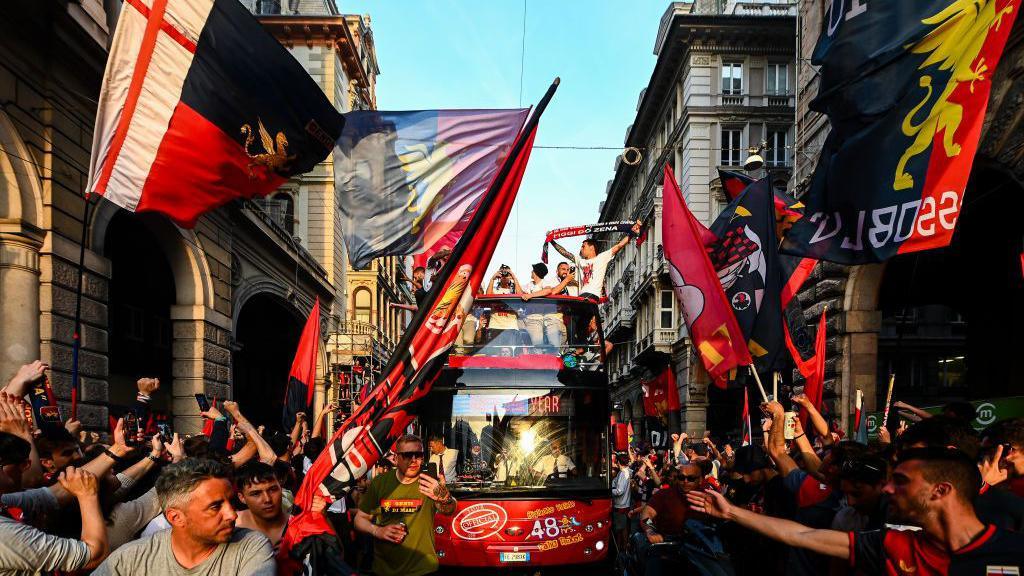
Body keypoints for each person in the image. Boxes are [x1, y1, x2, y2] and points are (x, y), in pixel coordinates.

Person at [689, 447, 1024, 575]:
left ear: (942, 490)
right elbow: (803, 535)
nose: (889, 489)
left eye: (902, 481)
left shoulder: (1013, 553)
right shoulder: (892, 546)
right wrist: (733, 513)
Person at [93, 458, 276, 575]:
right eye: (215, 507)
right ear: (175, 517)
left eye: (231, 502)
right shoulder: (130, 559)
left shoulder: (251, 547)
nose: (231, 514)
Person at [354, 434, 457, 576]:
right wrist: (377, 531)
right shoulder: (380, 483)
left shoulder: (429, 483)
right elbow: (360, 519)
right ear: (396, 458)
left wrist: (444, 497)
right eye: (408, 455)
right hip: (385, 570)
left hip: (423, 568)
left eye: (418, 455)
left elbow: (450, 510)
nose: (414, 460)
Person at [570, 220, 641, 300]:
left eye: (583, 246)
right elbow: (566, 253)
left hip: (592, 294)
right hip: (582, 295)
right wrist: (553, 241)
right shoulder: (581, 262)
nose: (581, 249)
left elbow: (619, 246)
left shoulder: (601, 257)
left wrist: (632, 233)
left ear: (591, 248)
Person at [234, 462, 290, 552]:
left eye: (273, 489)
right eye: (256, 494)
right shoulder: (233, 525)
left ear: (281, 488)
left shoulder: (298, 526)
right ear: (242, 497)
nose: (267, 499)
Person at [611, 453, 633, 552]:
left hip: (621, 505)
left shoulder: (623, 473)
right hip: (625, 504)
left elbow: (619, 491)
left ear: (619, 462)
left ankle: (622, 549)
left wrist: (609, 491)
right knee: (623, 528)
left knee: (621, 529)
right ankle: (621, 548)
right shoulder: (626, 471)